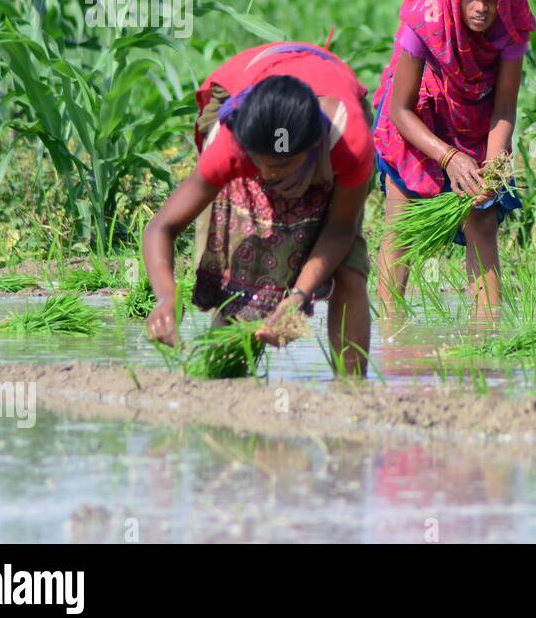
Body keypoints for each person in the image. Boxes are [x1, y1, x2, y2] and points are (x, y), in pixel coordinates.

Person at [142, 41, 374, 375]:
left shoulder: (350, 142)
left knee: (351, 271)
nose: (268, 177)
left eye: (282, 167)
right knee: (239, 277)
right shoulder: (233, 143)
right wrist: (166, 297)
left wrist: (298, 296)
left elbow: (340, 229)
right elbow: (161, 227)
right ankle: (224, 390)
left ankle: (353, 390)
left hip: (321, 114)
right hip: (247, 90)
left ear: (314, 148)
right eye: (261, 166)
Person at [372, 0, 536, 318]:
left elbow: (505, 107)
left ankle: (488, 333)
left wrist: (492, 172)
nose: (481, 8)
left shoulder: (510, 30)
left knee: (482, 219)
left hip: (474, 116)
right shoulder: (426, 20)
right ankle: (391, 334)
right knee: (403, 224)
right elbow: (400, 108)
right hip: (418, 114)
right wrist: (447, 157)